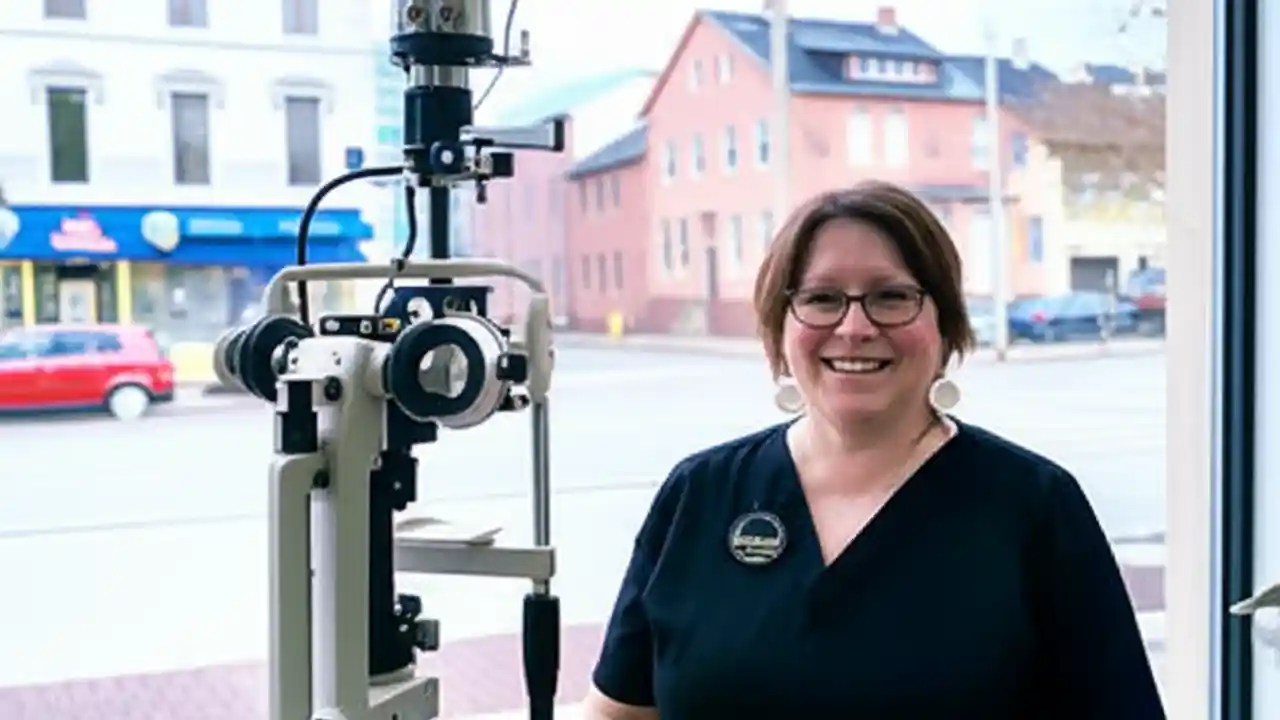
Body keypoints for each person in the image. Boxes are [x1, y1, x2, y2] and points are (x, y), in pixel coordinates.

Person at [581, 181, 1166, 719]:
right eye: (822, 298)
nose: (855, 326)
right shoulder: (701, 494)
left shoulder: (1031, 507)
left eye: (891, 296)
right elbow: (616, 713)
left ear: (945, 324)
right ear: (781, 327)